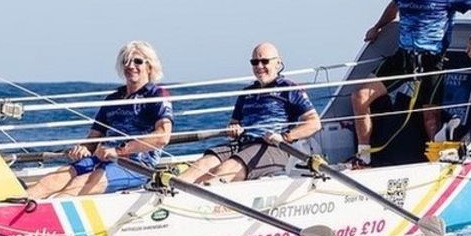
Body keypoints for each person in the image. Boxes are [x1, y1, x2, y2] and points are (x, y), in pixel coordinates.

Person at [351, 0, 471, 166]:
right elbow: (395, 5)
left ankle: (437, 162)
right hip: (404, 57)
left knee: (430, 118)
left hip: (432, 60)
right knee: (360, 96)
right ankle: (364, 156)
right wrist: (378, 27)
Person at [26, 41, 174, 199]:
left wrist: (119, 151)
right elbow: (93, 138)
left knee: (80, 184)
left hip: (136, 165)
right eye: (126, 61)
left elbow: (162, 137)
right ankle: (14, 205)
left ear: (149, 67)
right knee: (54, 178)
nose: (130, 66)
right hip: (102, 158)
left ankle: (50, 211)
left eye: (137, 61)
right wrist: (83, 149)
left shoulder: (157, 95)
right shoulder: (113, 99)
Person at [179, 43, 320, 184]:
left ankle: (203, 192)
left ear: (278, 63)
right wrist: (234, 128)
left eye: (264, 61)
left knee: (225, 169)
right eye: (255, 62)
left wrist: (285, 137)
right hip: (241, 143)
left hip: (272, 147)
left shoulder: (290, 89)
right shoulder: (247, 92)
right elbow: (235, 122)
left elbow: (314, 123)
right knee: (201, 165)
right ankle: (175, 190)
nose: (259, 66)